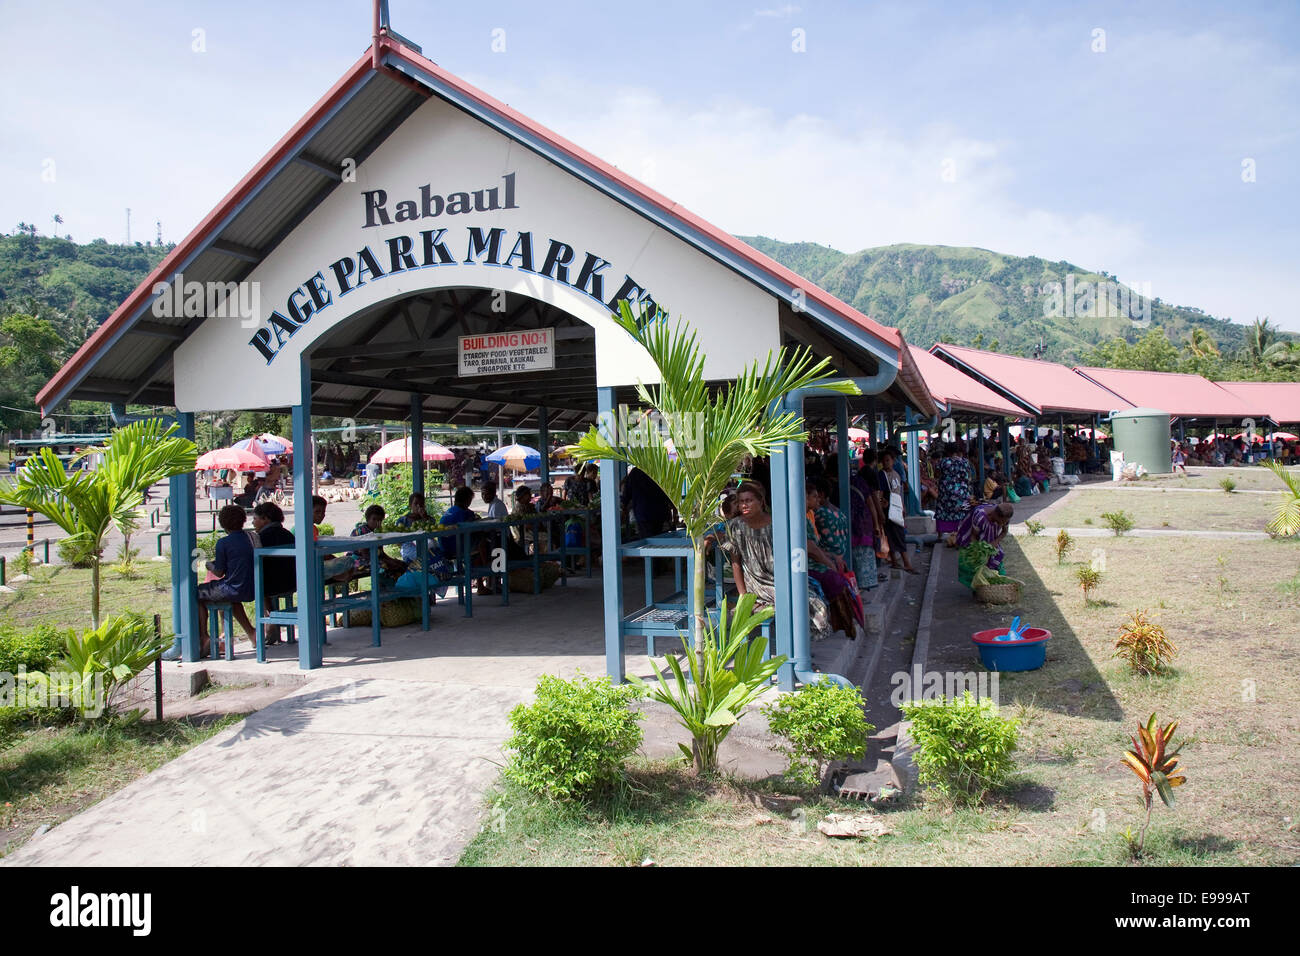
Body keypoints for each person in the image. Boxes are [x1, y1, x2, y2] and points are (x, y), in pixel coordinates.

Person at [726, 481, 832, 641]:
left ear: (761, 502)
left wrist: (798, 578)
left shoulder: (777, 523)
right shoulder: (735, 526)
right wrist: (743, 596)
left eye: (749, 501)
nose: (744, 505)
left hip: (782, 579)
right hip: (757, 584)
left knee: (815, 605)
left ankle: (801, 647)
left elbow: (796, 552)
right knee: (793, 604)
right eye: (741, 502)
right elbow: (736, 564)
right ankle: (791, 646)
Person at [196, 505, 258, 656]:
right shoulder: (253, 537)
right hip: (254, 587)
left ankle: (204, 637)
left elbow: (219, 572)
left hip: (233, 588)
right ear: (243, 520)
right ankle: (252, 633)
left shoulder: (223, 543)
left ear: (222, 524)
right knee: (231, 598)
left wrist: (209, 565)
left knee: (197, 593)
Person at [806, 479, 863, 637]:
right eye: (814, 497)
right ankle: (842, 624)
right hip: (809, 564)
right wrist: (830, 562)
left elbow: (816, 547)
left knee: (839, 578)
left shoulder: (813, 515)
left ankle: (845, 624)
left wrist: (830, 559)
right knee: (835, 580)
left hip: (820, 560)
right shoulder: (809, 517)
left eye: (818, 497)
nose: (818, 501)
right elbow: (812, 549)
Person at [251, 501, 295, 646]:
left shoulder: (261, 538)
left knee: (258, 583)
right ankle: (272, 620)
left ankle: (270, 619)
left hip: (272, 584)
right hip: (292, 581)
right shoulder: (288, 534)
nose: (253, 522)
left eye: (255, 518)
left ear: (266, 519)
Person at [878, 446, 918, 574]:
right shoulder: (881, 475)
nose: (886, 463)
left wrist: (903, 506)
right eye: (884, 461)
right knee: (893, 534)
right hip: (887, 508)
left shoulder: (896, 474)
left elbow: (899, 491)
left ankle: (899, 561)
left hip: (896, 507)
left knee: (898, 534)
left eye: (888, 460)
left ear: (893, 461)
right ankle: (903, 562)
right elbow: (879, 493)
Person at [351, 504, 407, 579]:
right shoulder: (362, 531)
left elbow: (380, 553)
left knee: (401, 565)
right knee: (383, 566)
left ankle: (395, 587)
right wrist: (387, 561)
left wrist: (392, 560)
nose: (377, 522)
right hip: (357, 561)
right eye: (374, 519)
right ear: (368, 519)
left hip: (374, 559)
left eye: (379, 520)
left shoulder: (378, 533)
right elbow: (364, 553)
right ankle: (380, 588)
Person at [956, 500, 1014, 570]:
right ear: (995, 514)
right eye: (1001, 521)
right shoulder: (980, 517)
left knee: (997, 555)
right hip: (975, 537)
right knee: (973, 562)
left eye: (1005, 522)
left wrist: (995, 542)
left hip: (990, 539)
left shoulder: (1005, 517)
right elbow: (973, 536)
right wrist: (979, 550)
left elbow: (1004, 531)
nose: (1002, 524)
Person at [934, 440, 974, 538]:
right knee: (962, 512)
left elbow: (937, 474)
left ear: (947, 452)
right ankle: (961, 534)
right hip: (962, 492)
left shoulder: (944, 462)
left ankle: (940, 536)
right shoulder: (965, 462)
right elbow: (969, 476)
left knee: (942, 512)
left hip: (946, 493)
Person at [621, 465, 674, 538]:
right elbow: (668, 493)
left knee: (647, 541)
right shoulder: (659, 469)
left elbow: (626, 494)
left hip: (643, 514)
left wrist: (623, 506)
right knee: (660, 540)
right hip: (659, 512)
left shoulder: (635, 472)